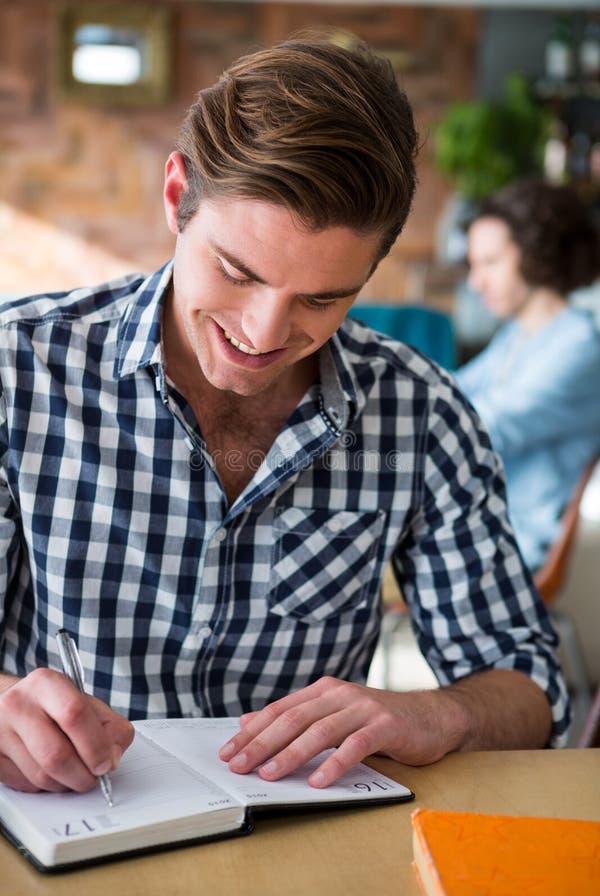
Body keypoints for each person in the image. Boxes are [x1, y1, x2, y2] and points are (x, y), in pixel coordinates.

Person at [0, 36, 568, 799]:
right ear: (176, 197)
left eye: (322, 299)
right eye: (237, 272)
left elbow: (530, 685)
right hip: (58, 823)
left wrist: (442, 714)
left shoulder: (422, 414)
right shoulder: (19, 369)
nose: (263, 334)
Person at [455, 179, 600, 572]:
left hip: (514, 547)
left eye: (490, 262)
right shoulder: (520, 334)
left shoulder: (579, 347)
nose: (475, 282)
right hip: (482, 526)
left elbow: (484, 425)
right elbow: (454, 390)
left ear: (536, 253)